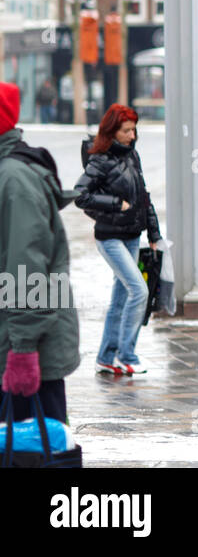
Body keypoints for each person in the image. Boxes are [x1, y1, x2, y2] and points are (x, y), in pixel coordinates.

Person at [0, 82, 79, 424]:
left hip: (25, 346)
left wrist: (24, 347)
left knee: (33, 453)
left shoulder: (14, 180)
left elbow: (27, 268)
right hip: (16, 337)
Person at [73, 103, 160, 376]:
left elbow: (144, 197)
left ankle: (106, 357)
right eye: (126, 130)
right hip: (110, 238)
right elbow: (80, 195)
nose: (132, 135)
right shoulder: (100, 159)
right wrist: (114, 203)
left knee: (121, 299)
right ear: (112, 131)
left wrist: (154, 233)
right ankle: (127, 355)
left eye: (134, 129)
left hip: (133, 236)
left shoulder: (133, 156)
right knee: (139, 291)